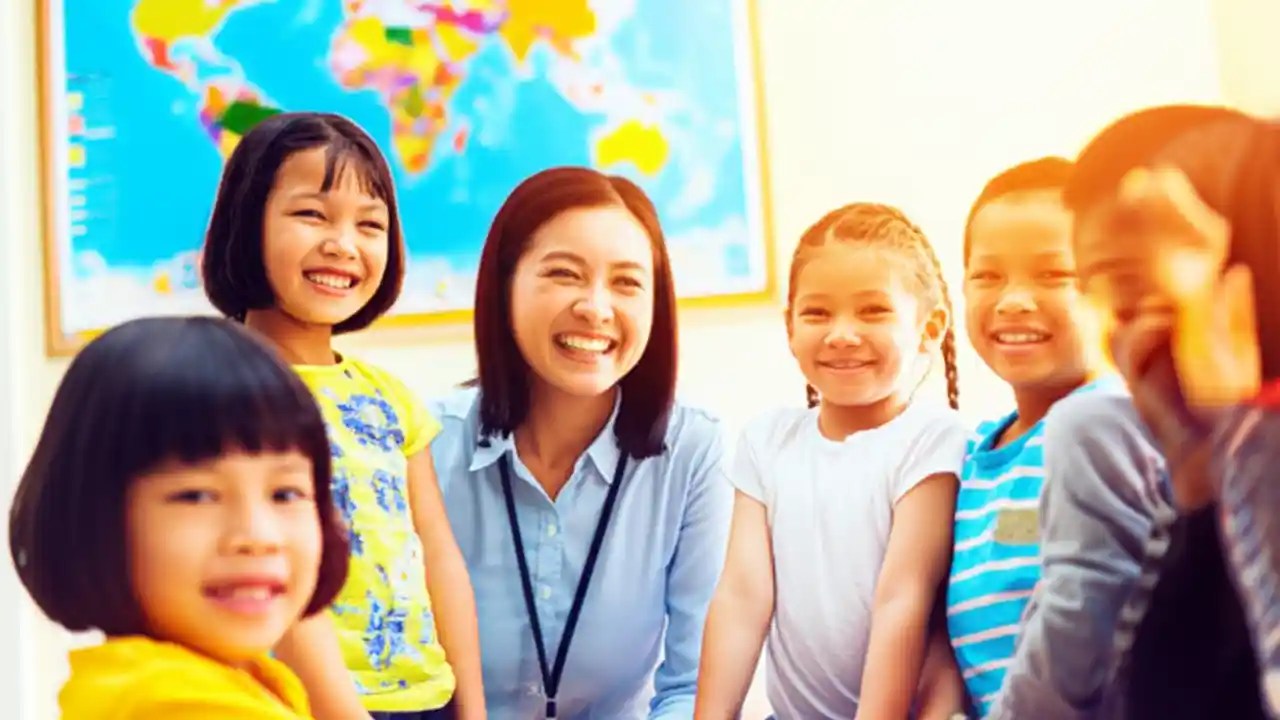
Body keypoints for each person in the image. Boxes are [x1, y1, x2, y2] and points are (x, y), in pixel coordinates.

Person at [201, 111, 483, 720]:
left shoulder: (391, 397)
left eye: (370, 224)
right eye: (311, 215)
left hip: (425, 698)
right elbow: (268, 571)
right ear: (247, 223)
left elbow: (438, 553)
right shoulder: (222, 390)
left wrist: (473, 705)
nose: (343, 244)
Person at [427, 166, 733, 719]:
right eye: (565, 274)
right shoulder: (424, 447)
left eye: (626, 282)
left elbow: (694, 689)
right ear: (504, 286)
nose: (596, 307)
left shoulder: (694, 450)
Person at [994, 104, 1268, 719]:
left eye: (1132, 287)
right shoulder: (1202, 491)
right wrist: (1200, 470)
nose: (1126, 345)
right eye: (1104, 299)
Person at [695, 202, 968, 719]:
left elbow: (902, 600)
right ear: (789, 327)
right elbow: (742, 598)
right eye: (817, 313)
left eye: (873, 310)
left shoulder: (933, 439)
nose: (842, 333)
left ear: (929, 328)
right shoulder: (766, 441)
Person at [7, 316, 349, 719]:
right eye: (197, 496)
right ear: (92, 521)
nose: (258, 535)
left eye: (285, 494)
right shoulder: (183, 707)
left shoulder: (181, 678)